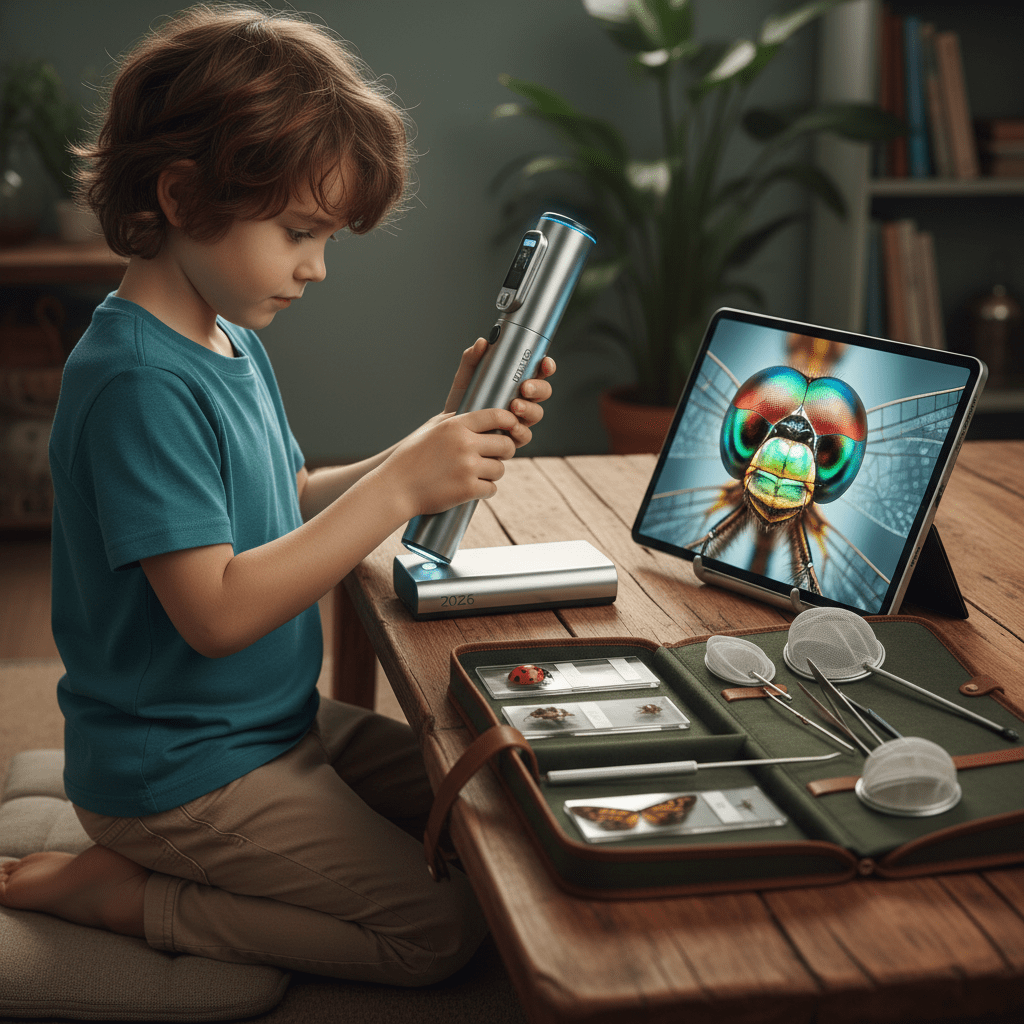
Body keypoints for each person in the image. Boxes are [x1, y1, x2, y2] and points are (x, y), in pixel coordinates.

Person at [0, 5, 556, 985]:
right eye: (299, 231)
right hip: (175, 774)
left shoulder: (224, 336)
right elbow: (215, 612)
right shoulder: (136, 378)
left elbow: (285, 496)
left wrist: (431, 443)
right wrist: (397, 495)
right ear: (180, 194)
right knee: (438, 926)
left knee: (500, 815)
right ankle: (126, 893)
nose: (317, 266)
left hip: (266, 727)